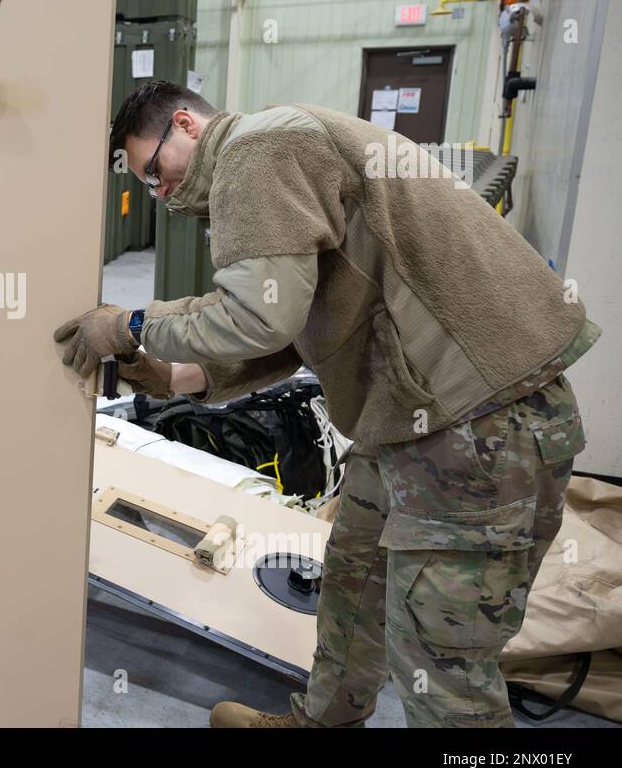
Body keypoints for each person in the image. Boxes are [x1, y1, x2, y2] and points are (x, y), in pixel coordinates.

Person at [54, 80, 598, 727]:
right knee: (352, 581)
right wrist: (169, 376)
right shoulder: (273, 157)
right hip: (408, 419)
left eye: (154, 170)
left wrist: (130, 324)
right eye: (148, 184)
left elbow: (258, 317)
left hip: (477, 423)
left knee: (440, 657)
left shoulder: (259, 149)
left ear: (186, 125)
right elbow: (298, 326)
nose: (160, 193)